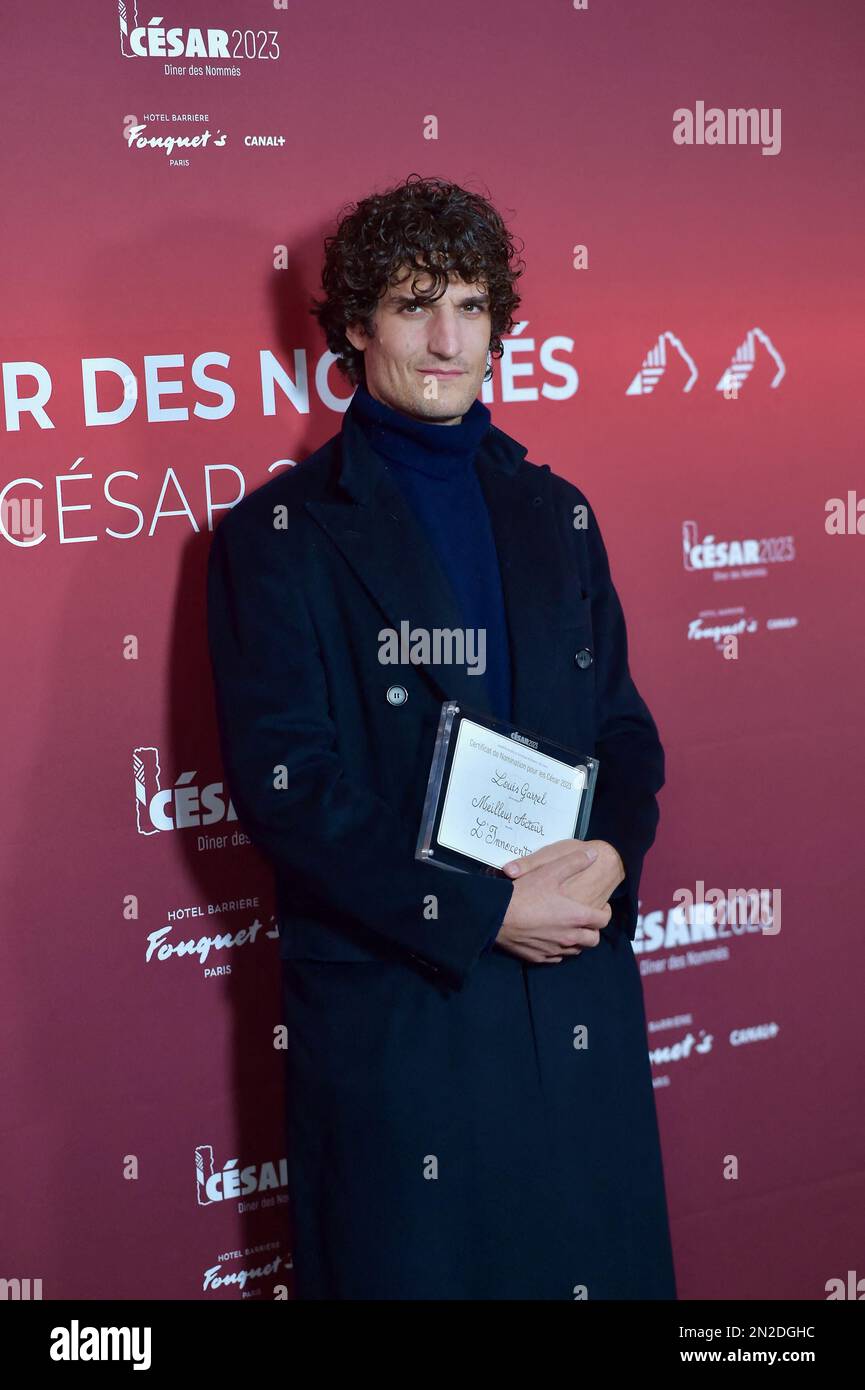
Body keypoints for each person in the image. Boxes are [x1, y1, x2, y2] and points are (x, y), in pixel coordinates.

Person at [206, 173, 676, 1300]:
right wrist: (480, 911)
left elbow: (624, 730)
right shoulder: (278, 536)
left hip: (571, 985)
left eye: (471, 306)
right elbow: (289, 789)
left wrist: (609, 857)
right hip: (405, 1004)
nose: (447, 338)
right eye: (417, 304)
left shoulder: (557, 512)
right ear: (358, 325)